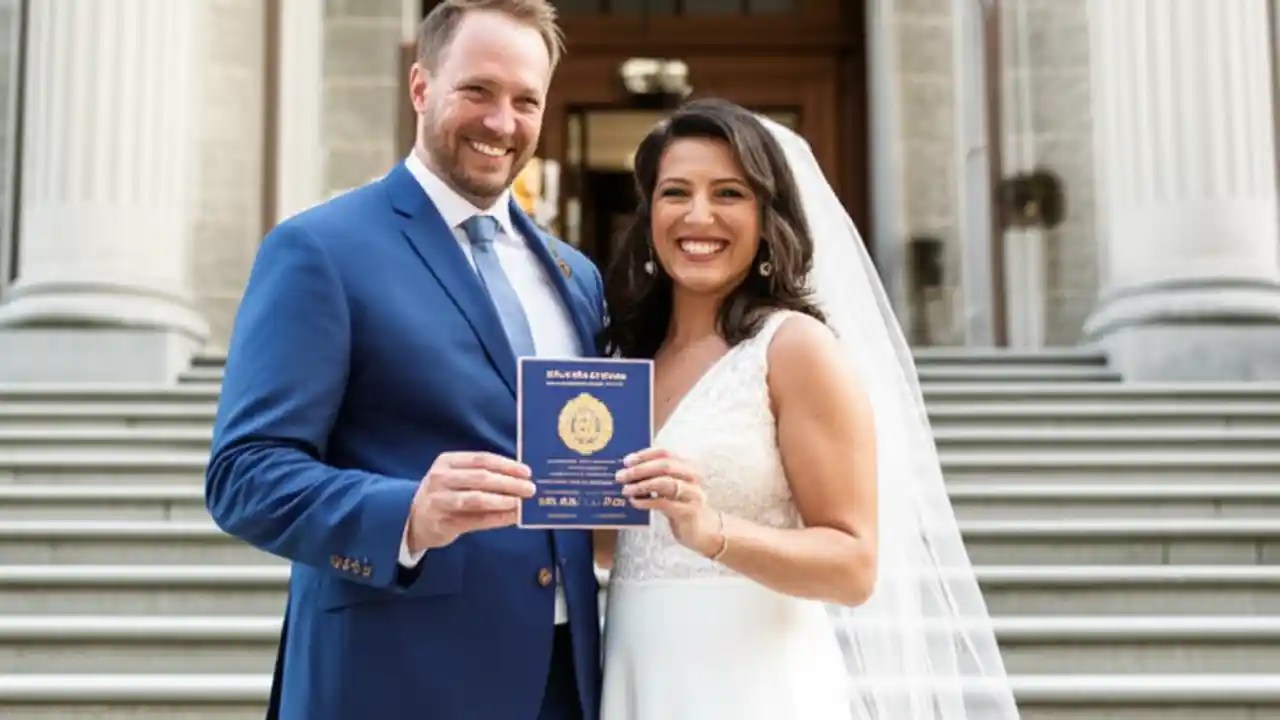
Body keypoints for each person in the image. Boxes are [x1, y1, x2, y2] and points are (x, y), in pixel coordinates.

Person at [204, 2, 603, 719]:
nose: (501, 122)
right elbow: (244, 475)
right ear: (421, 88)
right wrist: (408, 514)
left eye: (525, 101)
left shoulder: (575, 274)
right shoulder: (320, 250)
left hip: (561, 683)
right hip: (393, 677)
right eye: (477, 91)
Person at [595, 99, 1021, 719]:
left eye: (730, 193)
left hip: (753, 684)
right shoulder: (627, 357)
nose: (698, 215)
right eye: (675, 192)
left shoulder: (794, 349)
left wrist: (713, 531)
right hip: (639, 668)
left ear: (769, 219)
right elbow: (619, 546)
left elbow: (853, 565)